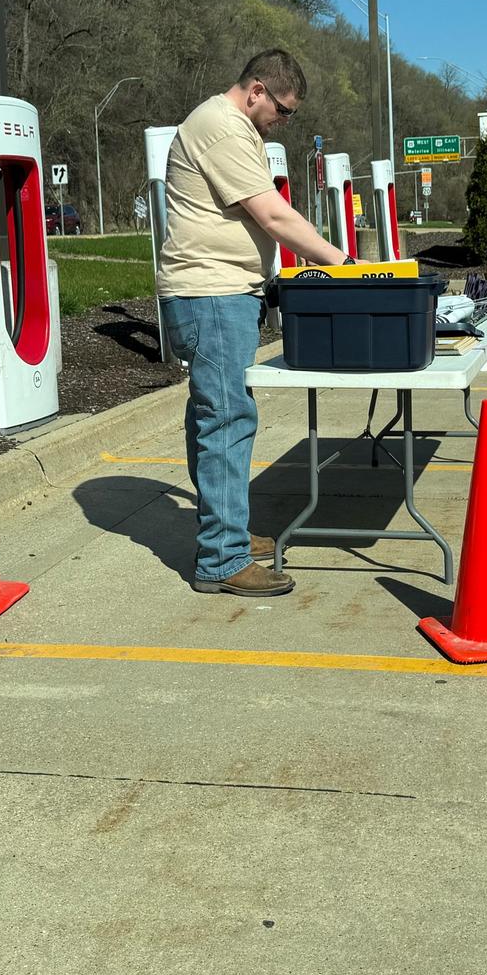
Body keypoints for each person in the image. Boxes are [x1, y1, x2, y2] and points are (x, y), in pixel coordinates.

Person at [158, 50, 352, 597]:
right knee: (226, 420)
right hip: (211, 293)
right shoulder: (222, 128)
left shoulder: (231, 128)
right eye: (284, 111)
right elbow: (272, 214)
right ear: (257, 90)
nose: (284, 122)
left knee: (218, 416)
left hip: (220, 293)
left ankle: (229, 532)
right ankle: (221, 559)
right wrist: (341, 263)